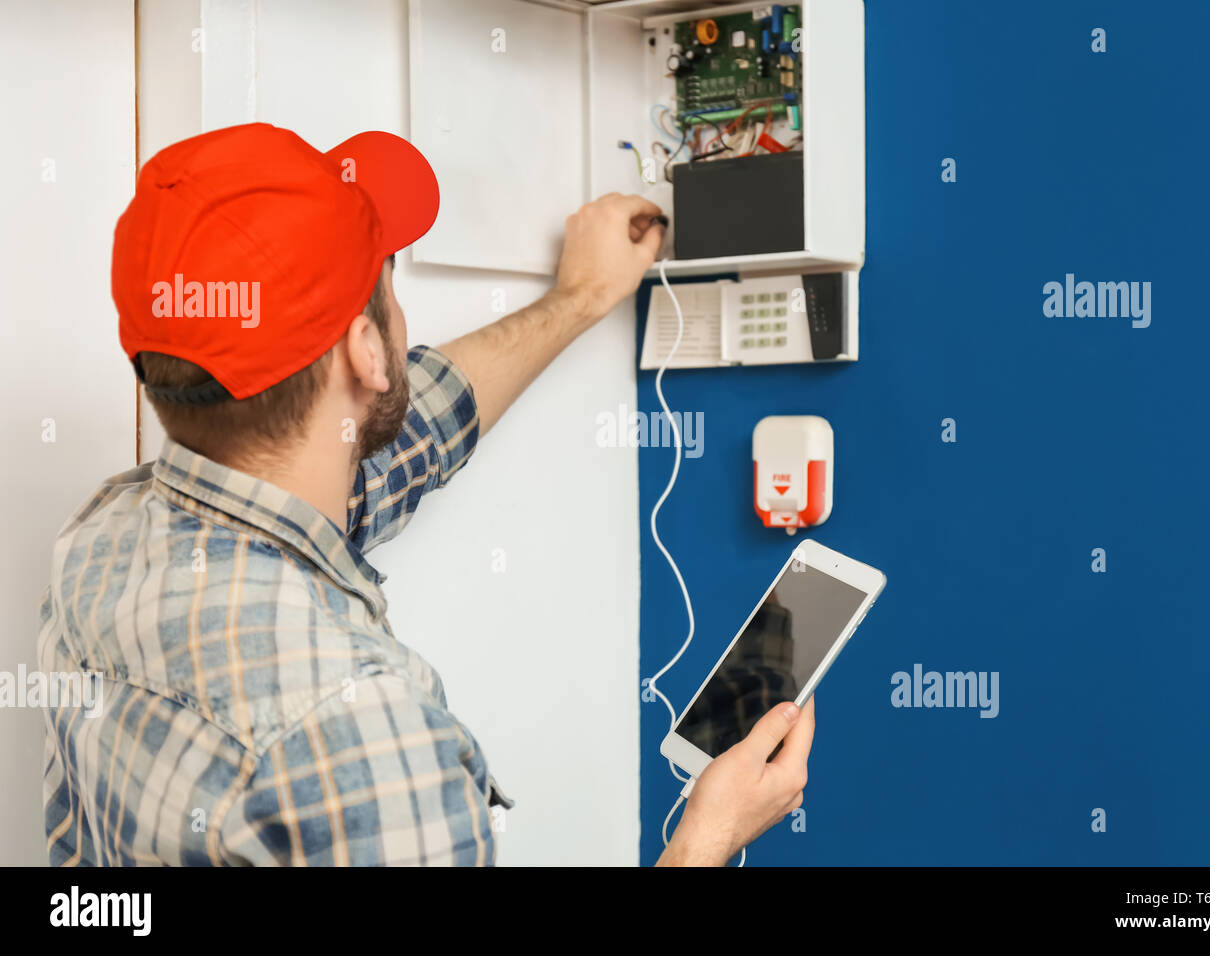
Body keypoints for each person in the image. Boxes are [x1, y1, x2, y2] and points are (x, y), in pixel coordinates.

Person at [37, 122, 813, 867]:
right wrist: (707, 840)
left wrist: (577, 298)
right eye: (387, 283)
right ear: (368, 351)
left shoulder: (106, 540)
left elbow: (418, 429)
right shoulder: (366, 739)